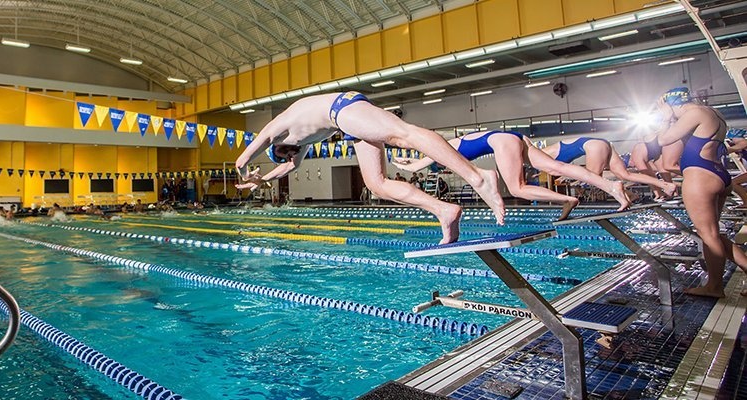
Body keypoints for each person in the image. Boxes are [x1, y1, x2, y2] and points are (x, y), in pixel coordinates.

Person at [234, 91, 505, 244]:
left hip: (343, 108)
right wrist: (264, 180)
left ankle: (477, 177)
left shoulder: (277, 129)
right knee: (377, 185)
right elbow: (292, 167)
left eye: (281, 153)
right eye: (284, 156)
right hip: (347, 125)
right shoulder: (300, 143)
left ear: (277, 145)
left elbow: (242, 160)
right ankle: (443, 210)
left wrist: (246, 174)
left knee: (402, 134)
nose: (287, 155)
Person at [394, 131, 631, 220]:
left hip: (502, 142)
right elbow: (429, 156)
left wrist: (411, 166)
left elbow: (429, 157)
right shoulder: (452, 142)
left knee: (517, 188)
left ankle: (568, 199)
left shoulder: (445, 145)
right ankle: (612, 187)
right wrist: (416, 162)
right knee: (556, 167)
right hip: (514, 136)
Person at [650, 87, 747, 298]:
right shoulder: (713, 113)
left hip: (701, 176)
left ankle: (714, 287)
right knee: (714, 235)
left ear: (673, 104)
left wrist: (666, 119)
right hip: (718, 174)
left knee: (709, 236)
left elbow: (663, 140)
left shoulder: (695, 113)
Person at [542, 137, 678, 200]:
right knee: (625, 175)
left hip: (593, 145)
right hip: (602, 142)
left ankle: (629, 195)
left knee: (593, 179)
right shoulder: (540, 154)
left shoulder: (539, 156)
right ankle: (665, 185)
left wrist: (569, 176)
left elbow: (561, 170)